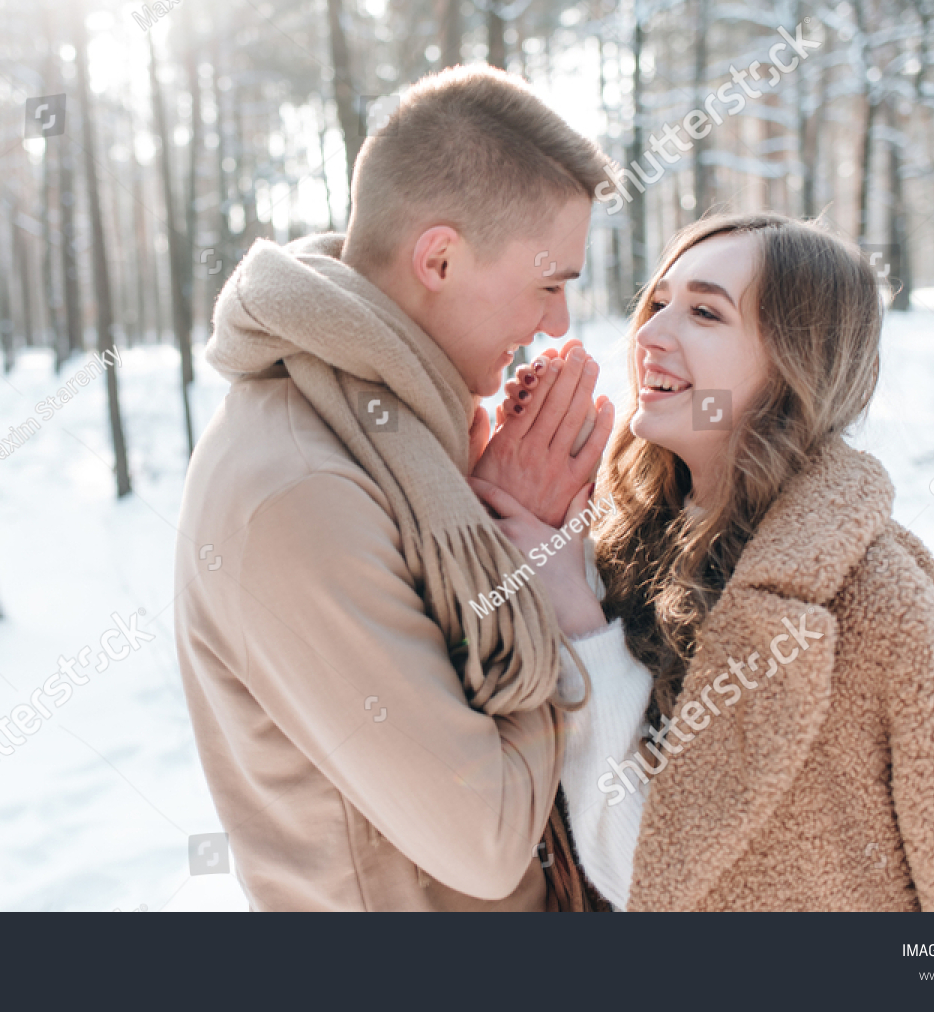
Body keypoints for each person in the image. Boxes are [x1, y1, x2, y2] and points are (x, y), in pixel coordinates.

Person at [475, 212, 934, 910]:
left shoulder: (879, 603)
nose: (651, 335)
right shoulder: (616, 550)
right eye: (657, 304)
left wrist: (578, 624)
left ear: (792, 361)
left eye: (704, 313)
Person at [173, 65, 625, 910]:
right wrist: (520, 565)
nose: (558, 322)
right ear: (441, 258)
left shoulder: (395, 428)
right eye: (550, 283)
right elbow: (487, 843)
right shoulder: (301, 492)